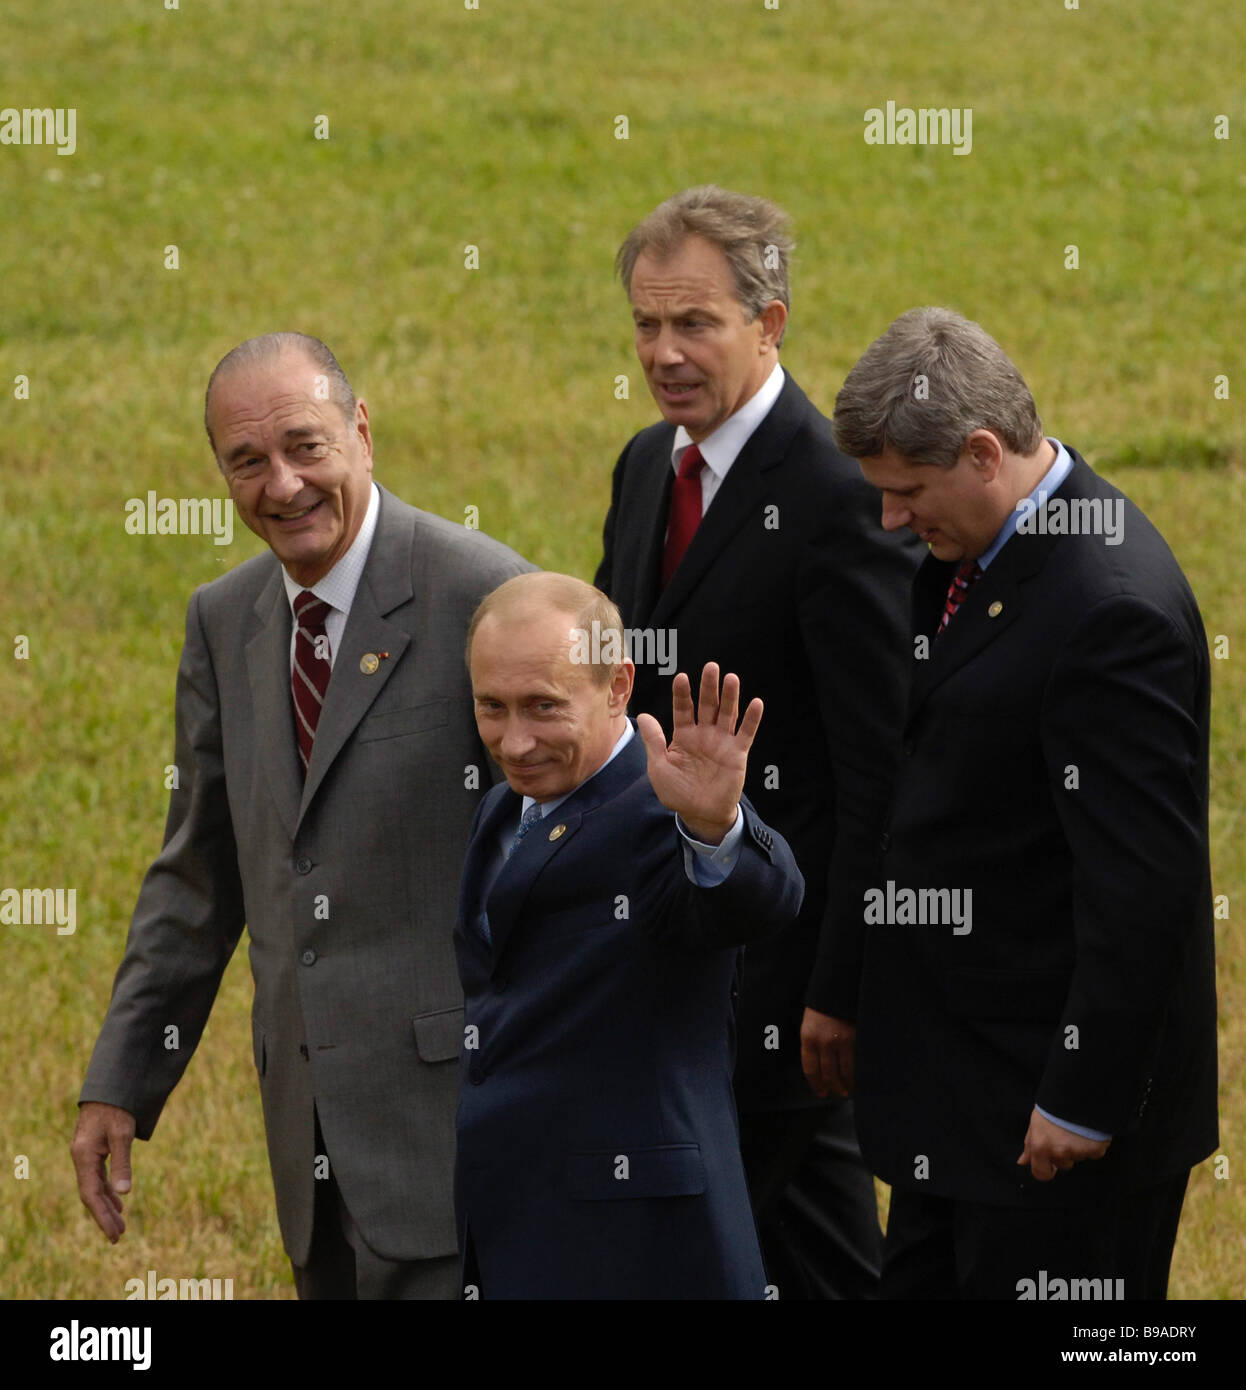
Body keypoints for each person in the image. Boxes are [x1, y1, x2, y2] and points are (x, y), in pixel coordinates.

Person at [70, 332, 532, 1299]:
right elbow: (199, 873)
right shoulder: (224, 619)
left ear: (361, 432)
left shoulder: (484, 597)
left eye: (304, 445)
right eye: (247, 462)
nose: (281, 486)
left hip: (458, 1140)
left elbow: (571, 859)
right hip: (310, 1146)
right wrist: (122, 1079)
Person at [831, 306, 1219, 1299]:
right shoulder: (979, 554)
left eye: (906, 491)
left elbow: (1141, 889)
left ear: (982, 451)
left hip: (1054, 1139)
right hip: (959, 1108)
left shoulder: (1108, 609)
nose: (889, 520)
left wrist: (1081, 1103)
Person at [595, 186, 921, 1297]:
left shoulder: (838, 495)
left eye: (695, 324)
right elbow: (618, 683)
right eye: (646, 324)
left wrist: (842, 986)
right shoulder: (646, 467)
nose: (664, 351)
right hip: (676, 959)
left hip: (785, 985)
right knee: (805, 1250)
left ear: (769, 321)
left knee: (715, 1250)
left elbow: (880, 764)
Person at [455, 572, 805, 1298]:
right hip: (522, 1224)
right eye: (492, 707)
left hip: (641, 1247)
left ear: (618, 686)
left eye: (543, 707)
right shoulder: (500, 810)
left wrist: (714, 829)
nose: (514, 742)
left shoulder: (662, 811)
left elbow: (764, 900)